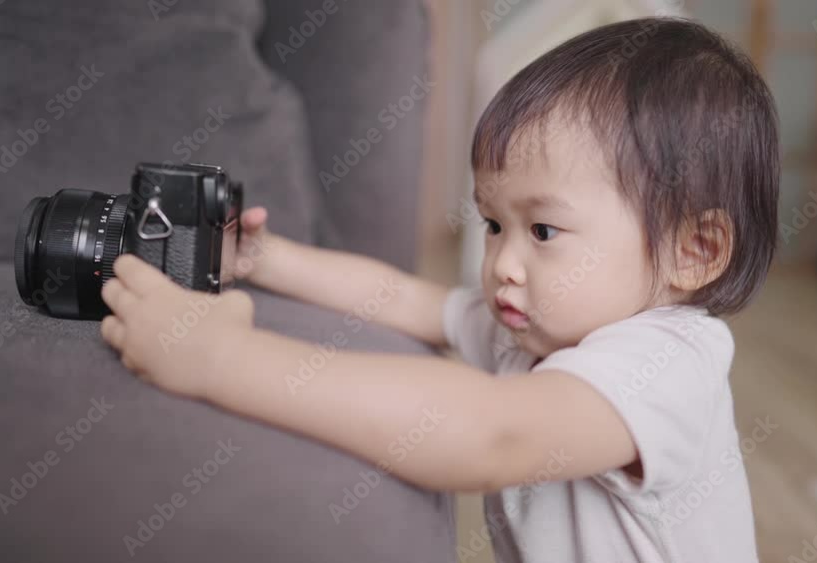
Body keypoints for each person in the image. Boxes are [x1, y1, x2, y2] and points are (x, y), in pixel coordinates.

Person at [99, 17, 778, 563]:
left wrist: (224, 360)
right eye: (492, 223)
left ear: (695, 250)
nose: (504, 262)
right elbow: (399, 298)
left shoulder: (665, 363)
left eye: (542, 230)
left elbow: (489, 433)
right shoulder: (537, 326)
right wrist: (264, 258)